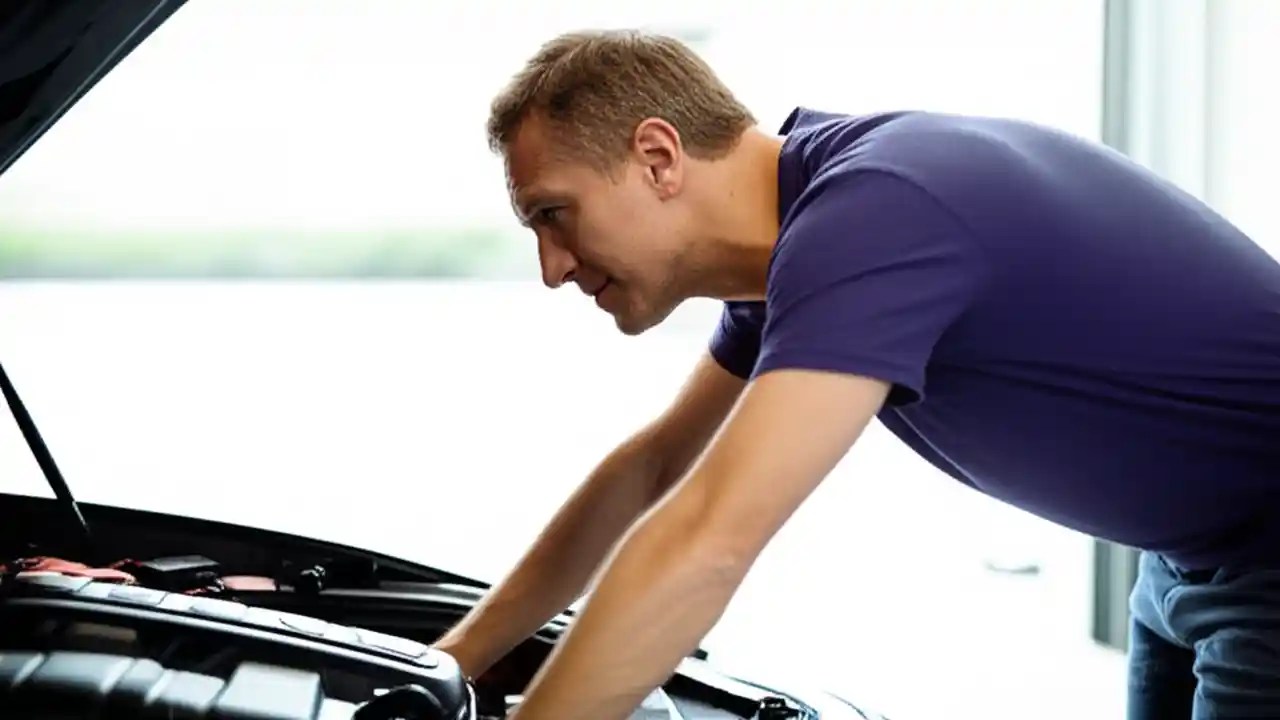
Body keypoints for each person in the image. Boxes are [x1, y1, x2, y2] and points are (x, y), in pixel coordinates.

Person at [430, 29, 1280, 720]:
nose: (550, 266)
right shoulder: (799, 251)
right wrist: (443, 667)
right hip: (1184, 558)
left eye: (553, 214)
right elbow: (652, 471)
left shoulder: (877, 213)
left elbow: (710, 539)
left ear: (658, 157)